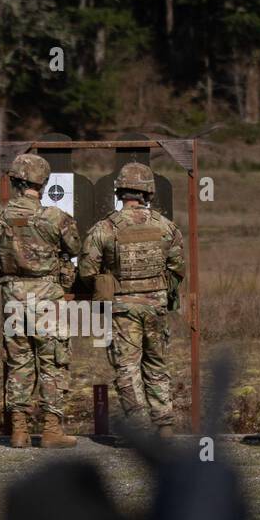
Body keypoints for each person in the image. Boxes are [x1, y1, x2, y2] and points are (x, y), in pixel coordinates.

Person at [0, 153, 81, 448]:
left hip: (12, 296)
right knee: (53, 361)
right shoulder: (55, 218)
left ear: (15, 181)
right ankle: (51, 430)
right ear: (44, 183)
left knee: (19, 362)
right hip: (48, 295)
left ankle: (19, 431)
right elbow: (73, 247)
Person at [78, 162, 185, 437]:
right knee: (156, 363)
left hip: (122, 308)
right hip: (156, 306)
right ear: (148, 193)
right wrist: (160, 292)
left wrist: (109, 283)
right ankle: (164, 425)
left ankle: (139, 429)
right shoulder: (166, 226)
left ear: (120, 192)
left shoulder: (104, 228)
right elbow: (177, 267)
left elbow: (87, 270)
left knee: (127, 368)